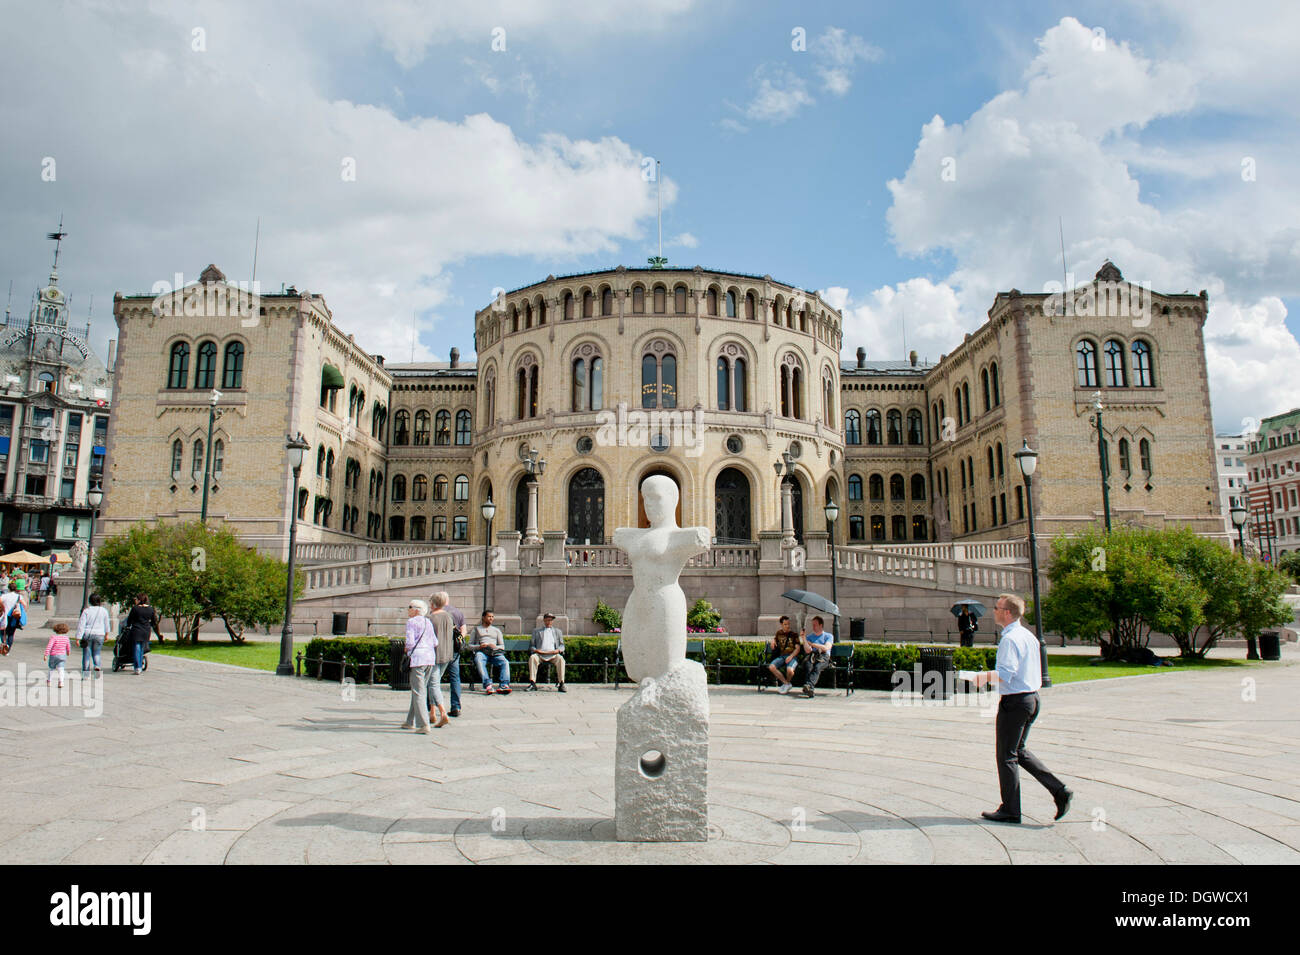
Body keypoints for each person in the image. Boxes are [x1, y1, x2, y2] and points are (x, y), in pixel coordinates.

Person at [971, 593, 1072, 825]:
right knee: (1019, 751)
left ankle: (1010, 810)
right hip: (1031, 699)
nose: (994, 611)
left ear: (1007, 612)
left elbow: (1006, 674)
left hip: (1015, 702)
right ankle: (1060, 790)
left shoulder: (1010, 639)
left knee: (1006, 756)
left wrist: (982, 677)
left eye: (997, 608)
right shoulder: (1028, 636)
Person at [401, 599, 446, 732]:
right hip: (430, 658)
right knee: (420, 690)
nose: (408, 610)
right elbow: (435, 642)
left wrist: (407, 649)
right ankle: (410, 721)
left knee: (418, 691)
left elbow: (409, 642)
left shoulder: (411, 622)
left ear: (416, 610)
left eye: (410, 607)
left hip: (418, 659)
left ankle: (423, 724)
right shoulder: (428, 622)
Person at [436, 591, 465, 717]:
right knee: (455, 677)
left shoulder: (436, 613)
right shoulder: (458, 612)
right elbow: (463, 632)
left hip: (440, 649)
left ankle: (430, 705)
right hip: (453, 649)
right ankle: (456, 706)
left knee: (434, 678)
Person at [468, 610, 510, 694]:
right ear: (483, 618)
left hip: (495, 653)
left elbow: (502, 646)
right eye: (489, 616)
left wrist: (495, 646)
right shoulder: (476, 630)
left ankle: (504, 684)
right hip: (482, 652)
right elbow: (469, 646)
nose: (491, 618)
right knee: (479, 659)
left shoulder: (496, 630)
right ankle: (488, 684)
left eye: (492, 617)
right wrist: (479, 646)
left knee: (505, 662)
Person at [123, 593, 163, 675]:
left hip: (136, 629)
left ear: (139, 600)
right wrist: (149, 625)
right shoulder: (150, 609)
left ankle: (137, 667)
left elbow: (129, 620)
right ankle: (140, 665)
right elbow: (154, 620)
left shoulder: (135, 608)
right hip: (146, 630)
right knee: (141, 647)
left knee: (137, 647)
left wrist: (128, 626)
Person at [528, 612, 566, 691]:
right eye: (547, 620)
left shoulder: (558, 632)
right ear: (544, 620)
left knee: (561, 660)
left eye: (550, 620)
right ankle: (532, 683)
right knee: (532, 658)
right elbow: (532, 646)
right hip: (540, 654)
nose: (549, 622)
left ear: (552, 621)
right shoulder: (536, 631)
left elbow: (562, 645)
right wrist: (536, 650)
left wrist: (558, 650)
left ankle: (561, 683)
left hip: (553, 655)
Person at [77, 592, 111, 674]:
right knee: (97, 652)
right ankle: (97, 665)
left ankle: (85, 672)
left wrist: (78, 637)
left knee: (86, 654)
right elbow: (107, 623)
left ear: (90, 601)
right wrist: (107, 634)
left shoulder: (86, 611)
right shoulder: (104, 611)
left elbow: (81, 625)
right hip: (100, 634)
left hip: (88, 634)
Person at [800, 616, 833, 698]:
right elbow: (808, 650)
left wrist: (813, 644)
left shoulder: (828, 636)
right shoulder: (809, 637)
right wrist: (804, 638)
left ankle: (808, 685)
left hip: (824, 657)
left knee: (818, 667)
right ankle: (810, 689)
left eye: (815, 625)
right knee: (808, 666)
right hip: (813, 656)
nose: (813, 627)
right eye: (812, 625)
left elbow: (826, 648)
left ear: (821, 625)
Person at [767, 615, 801, 694]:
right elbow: (775, 639)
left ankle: (786, 684)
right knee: (771, 667)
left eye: (788, 624)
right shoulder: (779, 633)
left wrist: (791, 656)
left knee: (790, 671)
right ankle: (786, 683)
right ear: (781, 625)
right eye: (785, 624)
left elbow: (798, 648)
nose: (787, 626)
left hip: (792, 656)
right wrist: (773, 641)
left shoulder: (794, 634)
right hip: (782, 656)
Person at [1, 581, 26, 655]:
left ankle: (4, 647)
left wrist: (3, 607)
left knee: (3, 633)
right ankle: (8, 649)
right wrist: (21, 610)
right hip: (14, 617)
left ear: (9, 588)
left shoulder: (4, 596)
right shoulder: (19, 596)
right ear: (16, 589)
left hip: (5, 616)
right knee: (11, 634)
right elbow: (24, 604)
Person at [45, 623, 72, 688]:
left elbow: (49, 646)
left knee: (51, 668)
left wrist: (46, 654)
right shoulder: (66, 638)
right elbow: (68, 646)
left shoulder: (53, 637)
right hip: (62, 655)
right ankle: (61, 682)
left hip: (53, 655)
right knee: (61, 669)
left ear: (56, 629)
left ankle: (49, 681)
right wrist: (68, 652)